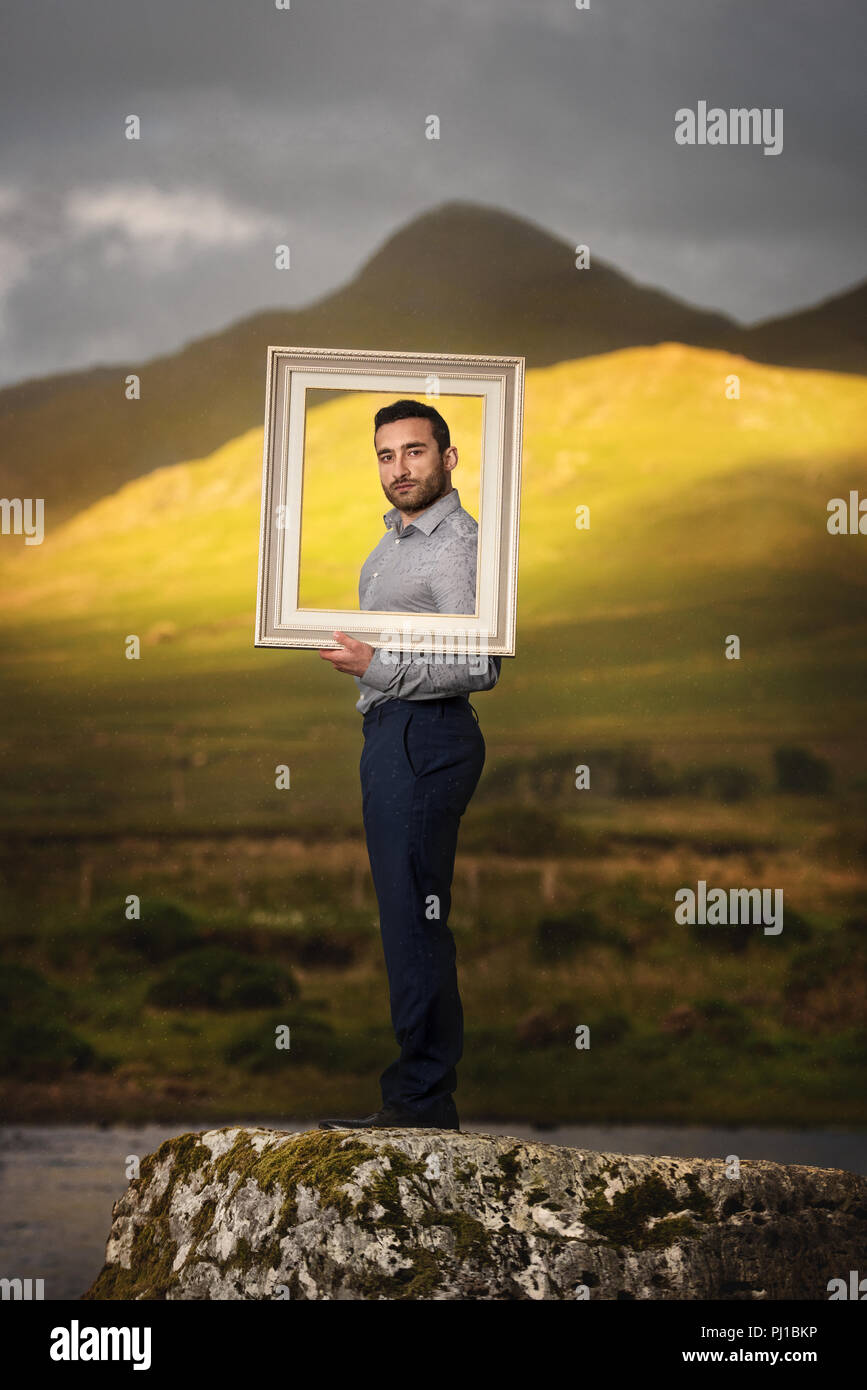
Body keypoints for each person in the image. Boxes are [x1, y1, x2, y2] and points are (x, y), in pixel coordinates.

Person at [317, 399, 501, 1131]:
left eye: (415, 452)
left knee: (415, 914)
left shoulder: (456, 543)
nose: (399, 469)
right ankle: (417, 1096)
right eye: (386, 456)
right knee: (402, 914)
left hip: (428, 735)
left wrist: (377, 667)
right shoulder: (387, 549)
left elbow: (477, 662)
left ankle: (421, 1102)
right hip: (389, 735)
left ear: (447, 459)